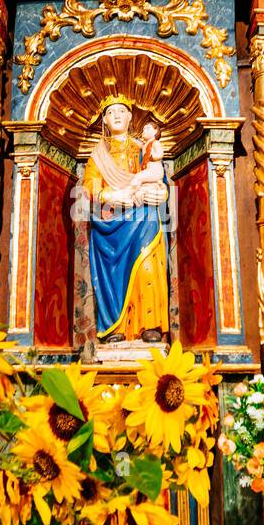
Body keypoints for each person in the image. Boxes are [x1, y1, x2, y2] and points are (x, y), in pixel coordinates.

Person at [81, 99, 169, 344]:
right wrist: (112, 196)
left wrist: (161, 192)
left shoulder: (144, 148)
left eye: (122, 111)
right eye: (111, 112)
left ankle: (149, 324)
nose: (117, 115)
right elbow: (90, 188)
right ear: (105, 120)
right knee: (113, 275)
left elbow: (158, 177)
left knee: (147, 261)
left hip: (142, 215)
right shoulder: (98, 155)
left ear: (130, 117)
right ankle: (115, 326)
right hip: (110, 222)